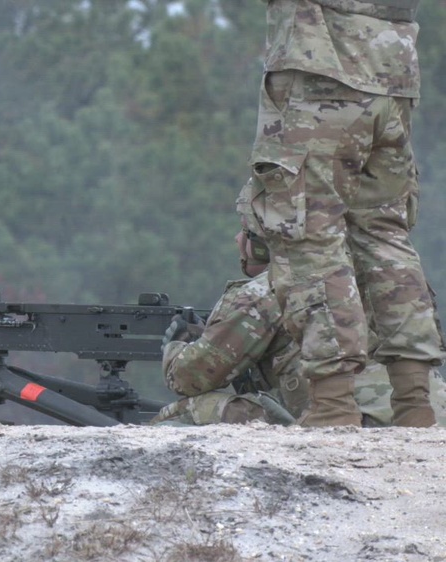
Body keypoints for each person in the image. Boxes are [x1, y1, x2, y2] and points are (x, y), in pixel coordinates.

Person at [239, 0, 444, 426]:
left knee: (307, 232)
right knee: (384, 233)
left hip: (323, 68)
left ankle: (333, 407)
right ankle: (414, 404)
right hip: (394, 72)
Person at [154, 225, 446, 427]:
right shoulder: (391, 276)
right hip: (428, 416)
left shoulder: (270, 289)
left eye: (246, 230)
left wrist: (176, 347)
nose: (237, 239)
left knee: (187, 411)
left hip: (357, 422)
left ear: (264, 240)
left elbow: (191, 378)